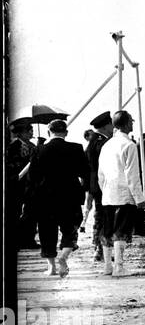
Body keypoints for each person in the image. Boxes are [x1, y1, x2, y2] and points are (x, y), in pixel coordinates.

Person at [28, 119, 89, 277]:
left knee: (47, 232)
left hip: (45, 199)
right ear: (66, 132)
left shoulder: (38, 150)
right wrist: (80, 189)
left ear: (49, 132)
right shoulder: (76, 148)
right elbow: (85, 173)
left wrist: (30, 200)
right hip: (70, 198)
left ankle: (52, 268)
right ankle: (63, 256)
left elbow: (32, 179)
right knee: (70, 229)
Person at [97, 110, 145, 277]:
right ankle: (118, 266)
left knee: (107, 230)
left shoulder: (106, 145)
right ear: (127, 124)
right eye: (131, 122)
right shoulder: (130, 145)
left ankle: (107, 266)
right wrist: (139, 198)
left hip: (108, 193)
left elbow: (101, 174)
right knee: (121, 231)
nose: (132, 124)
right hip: (124, 193)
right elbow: (132, 174)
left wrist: (103, 189)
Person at [83, 112, 113, 262]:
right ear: (107, 125)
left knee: (100, 215)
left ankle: (99, 248)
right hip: (103, 184)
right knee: (104, 216)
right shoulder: (101, 142)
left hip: (95, 184)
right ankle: (100, 248)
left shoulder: (93, 140)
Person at [7, 121, 38, 250]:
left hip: (29, 184)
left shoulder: (31, 145)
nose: (31, 132)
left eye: (31, 130)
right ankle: (16, 240)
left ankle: (28, 239)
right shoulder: (13, 146)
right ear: (21, 133)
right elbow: (10, 164)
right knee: (15, 212)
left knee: (30, 212)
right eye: (28, 131)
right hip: (17, 183)